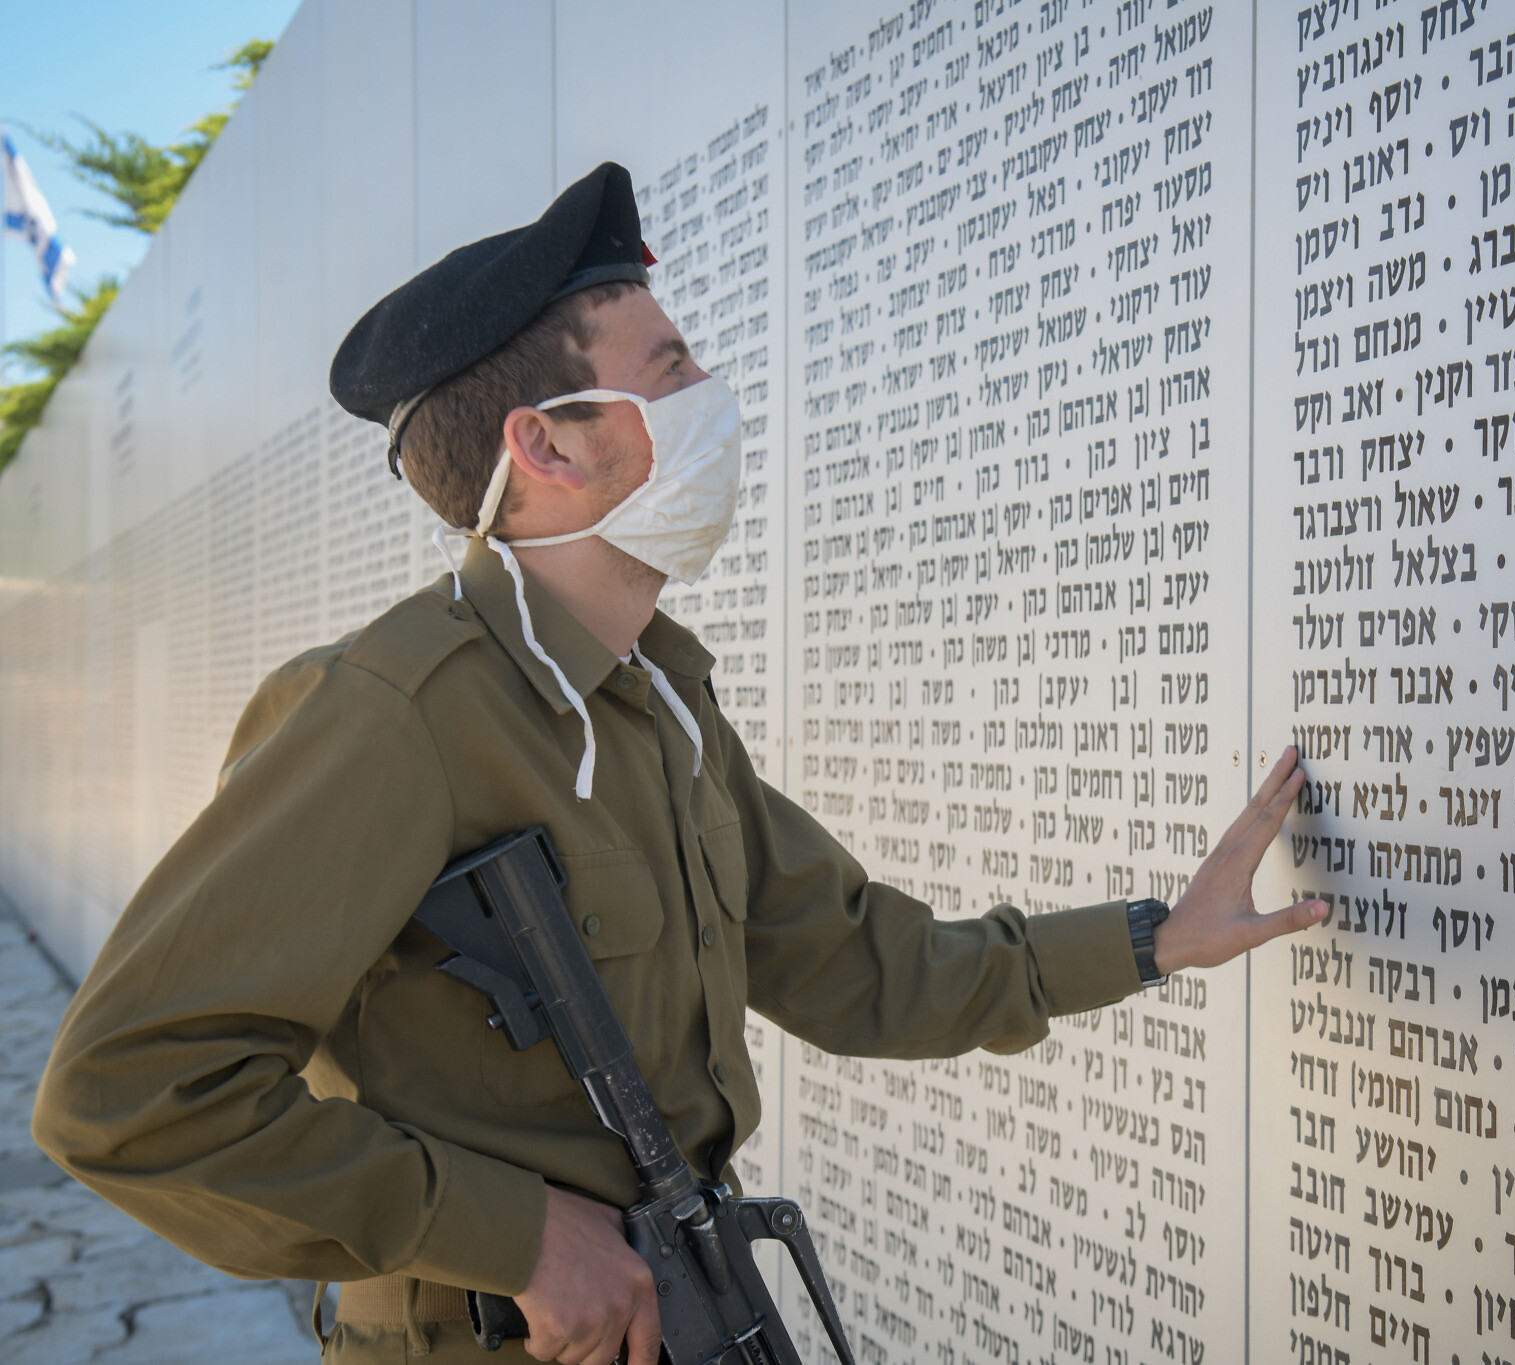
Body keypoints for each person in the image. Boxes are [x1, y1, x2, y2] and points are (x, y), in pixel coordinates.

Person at [31, 163, 1326, 1365]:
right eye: (674, 366)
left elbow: (858, 959)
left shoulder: (658, 698)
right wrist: (508, 1230)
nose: (714, 393)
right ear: (548, 443)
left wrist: (1154, 939)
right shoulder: (395, 711)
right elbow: (128, 1092)